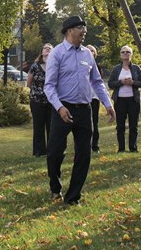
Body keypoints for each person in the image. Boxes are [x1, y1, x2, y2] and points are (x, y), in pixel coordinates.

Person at [45, 16, 114, 205]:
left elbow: (97, 81)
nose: (84, 32)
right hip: (62, 109)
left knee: (84, 154)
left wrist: (108, 104)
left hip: (84, 110)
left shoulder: (87, 55)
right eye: (80, 28)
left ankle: (73, 197)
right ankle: (55, 187)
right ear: (69, 31)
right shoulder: (57, 54)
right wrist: (60, 108)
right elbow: (49, 86)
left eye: (85, 28)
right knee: (54, 153)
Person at [107, 45, 141, 153]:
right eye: (123, 52)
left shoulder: (136, 68)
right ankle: (121, 148)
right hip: (120, 100)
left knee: (133, 125)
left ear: (131, 54)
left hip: (134, 100)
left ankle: (133, 148)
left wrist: (133, 82)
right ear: (120, 55)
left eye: (127, 52)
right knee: (120, 126)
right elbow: (110, 84)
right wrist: (121, 82)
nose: (125, 53)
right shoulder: (116, 69)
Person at [26, 44, 53, 156]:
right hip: (37, 101)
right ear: (42, 52)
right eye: (45, 48)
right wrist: (37, 91)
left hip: (51, 101)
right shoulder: (35, 66)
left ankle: (51, 150)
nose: (48, 49)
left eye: (50, 48)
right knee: (38, 126)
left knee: (51, 126)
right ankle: (39, 151)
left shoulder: (54, 66)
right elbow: (28, 83)